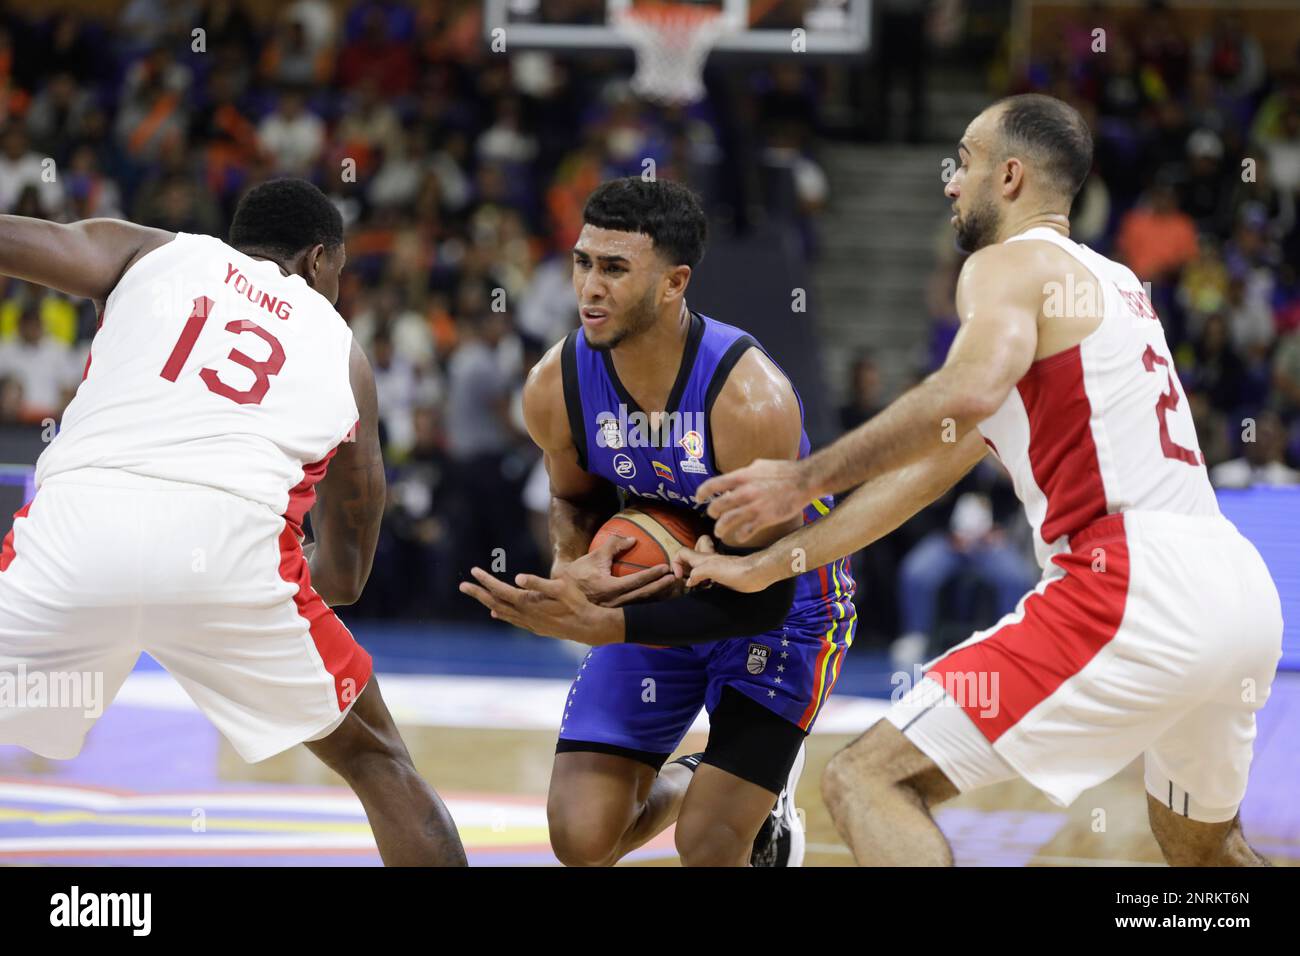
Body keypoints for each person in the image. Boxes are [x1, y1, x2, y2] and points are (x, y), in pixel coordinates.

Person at [677, 94, 1282, 867]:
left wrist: (800, 477)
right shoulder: (1111, 281)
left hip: (1132, 585)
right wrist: (768, 562)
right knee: (1205, 854)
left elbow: (963, 391)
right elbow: (929, 468)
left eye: (962, 161)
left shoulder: (1007, 264)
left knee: (868, 781)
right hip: (1235, 591)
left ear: (1010, 175)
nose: (949, 182)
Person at [0, 177, 465, 866]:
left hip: (77, 527)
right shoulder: (347, 357)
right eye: (338, 271)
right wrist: (291, 589)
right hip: (230, 553)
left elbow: (27, 244)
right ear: (316, 260)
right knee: (378, 761)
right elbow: (347, 570)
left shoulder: (149, 254)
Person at [459, 178, 856, 867]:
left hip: (784, 607)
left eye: (615, 269)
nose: (590, 286)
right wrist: (572, 566)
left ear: (674, 283)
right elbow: (575, 501)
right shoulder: (556, 383)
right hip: (657, 595)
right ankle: (710, 773)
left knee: (706, 849)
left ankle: (759, 793)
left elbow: (761, 594)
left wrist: (607, 624)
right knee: (582, 840)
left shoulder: (748, 398)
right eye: (583, 262)